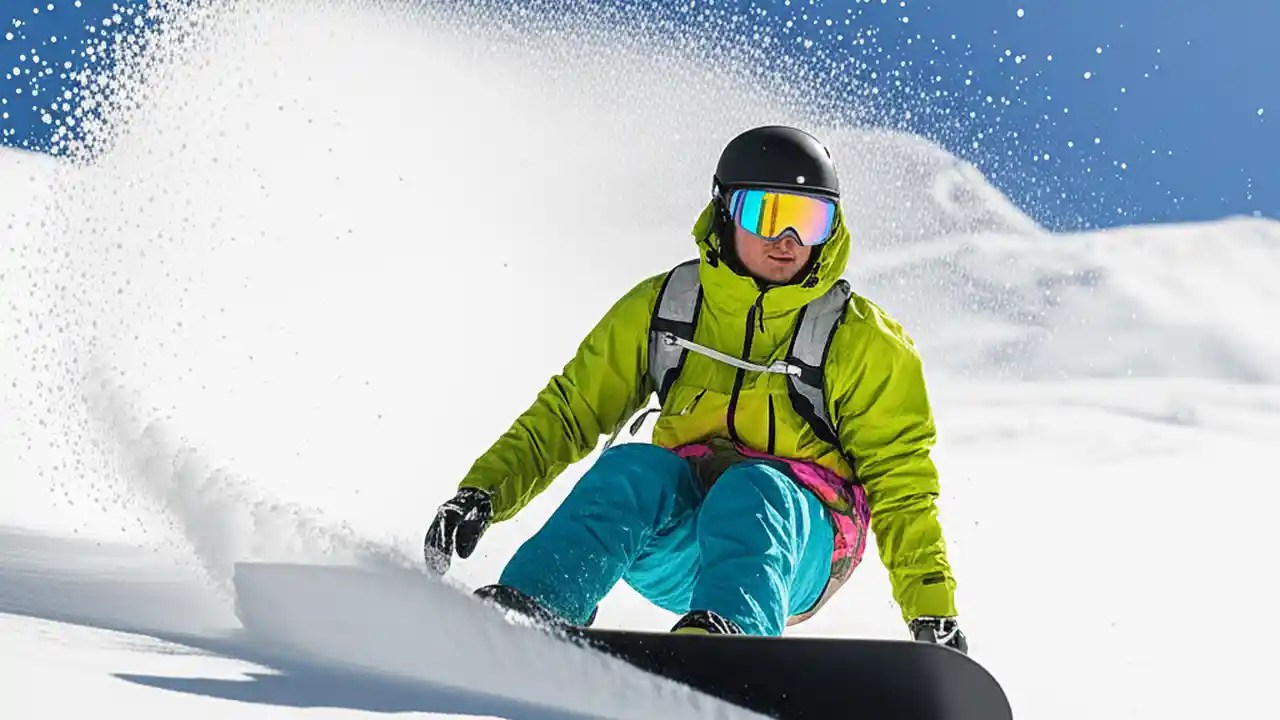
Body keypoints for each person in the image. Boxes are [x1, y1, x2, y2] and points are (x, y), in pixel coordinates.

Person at [424, 125, 966, 650]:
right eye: (768, 214)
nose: (788, 240)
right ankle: (531, 611)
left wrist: (932, 610)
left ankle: (725, 645)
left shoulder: (859, 339)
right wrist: (484, 492)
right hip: (678, 538)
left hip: (793, 549)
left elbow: (902, 482)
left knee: (755, 489)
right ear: (727, 212)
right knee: (630, 469)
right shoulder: (668, 307)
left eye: (810, 219)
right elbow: (571, 411)